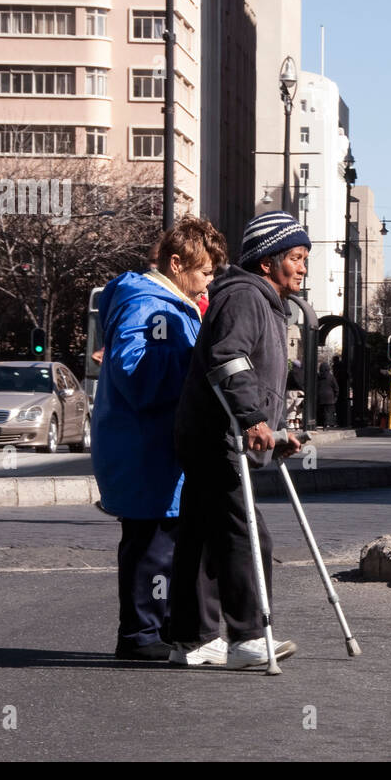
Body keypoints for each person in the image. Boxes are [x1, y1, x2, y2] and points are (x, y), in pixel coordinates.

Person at [169, 211, 307, 670]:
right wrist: (251, 419)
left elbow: (252, 376)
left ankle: (194, 637)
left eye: (305, 258)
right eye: (295, 257)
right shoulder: (246, 296)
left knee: (204, 536)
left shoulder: (260, 301)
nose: (302, 267)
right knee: (246, 533)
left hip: (214, 431)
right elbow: (229, 360)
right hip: (216, 434)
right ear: (267, 262)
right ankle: (248, 636)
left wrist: (276, 431)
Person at [92, 219, 228, 661]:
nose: (209, 281)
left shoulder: (167, 304)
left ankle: (159, 629)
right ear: (177, 263)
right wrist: (196, 369)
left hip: (155, 447)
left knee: (164, 542)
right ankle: (140, 636)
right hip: (145, 449)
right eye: (205, 272)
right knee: (150, 544)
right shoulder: (147, 306)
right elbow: (137, 373)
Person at [316, 362, 338, 427]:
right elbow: (336, 387)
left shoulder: (319, 377)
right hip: (330, 397)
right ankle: (328, 423)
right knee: (329, 411)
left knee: (322, 411)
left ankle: (322, 423)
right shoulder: (331, 377)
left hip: (320, 396)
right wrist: (336, 396)